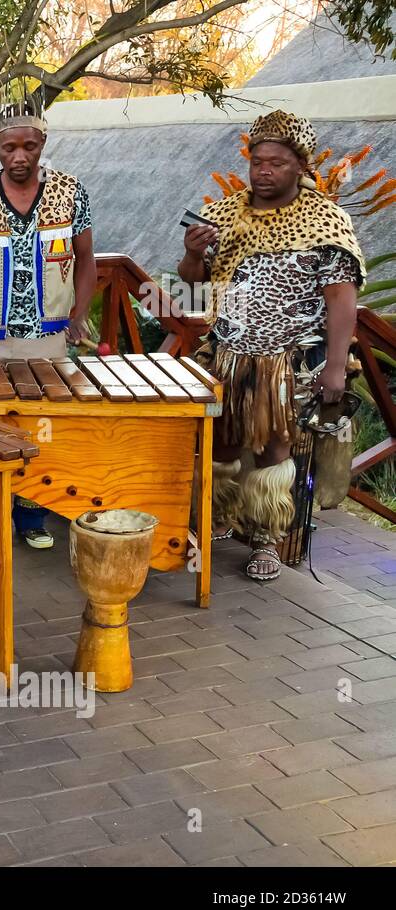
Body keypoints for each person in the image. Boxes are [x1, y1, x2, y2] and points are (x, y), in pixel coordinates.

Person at [179, 110, 364, 582]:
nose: (263, 171)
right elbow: (193, 284)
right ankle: (219, 517)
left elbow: (342, 300)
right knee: (218, 444)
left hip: (285, 358)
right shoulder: (225, 212)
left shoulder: (326, 221)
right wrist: (194, 253)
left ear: (301, 167)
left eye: (276, 163)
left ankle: (266, 540)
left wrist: (336, 368)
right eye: (256, 161)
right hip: (225, 350)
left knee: (273, 450)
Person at [0, 98, 97, 550]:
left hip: (49, 339)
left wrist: (78, 313)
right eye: (10, 147)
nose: (20, 157)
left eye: (29, 147)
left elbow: (87, 260)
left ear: (42, 144)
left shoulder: (71, 193)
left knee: (39, 429)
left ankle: (32, 514)